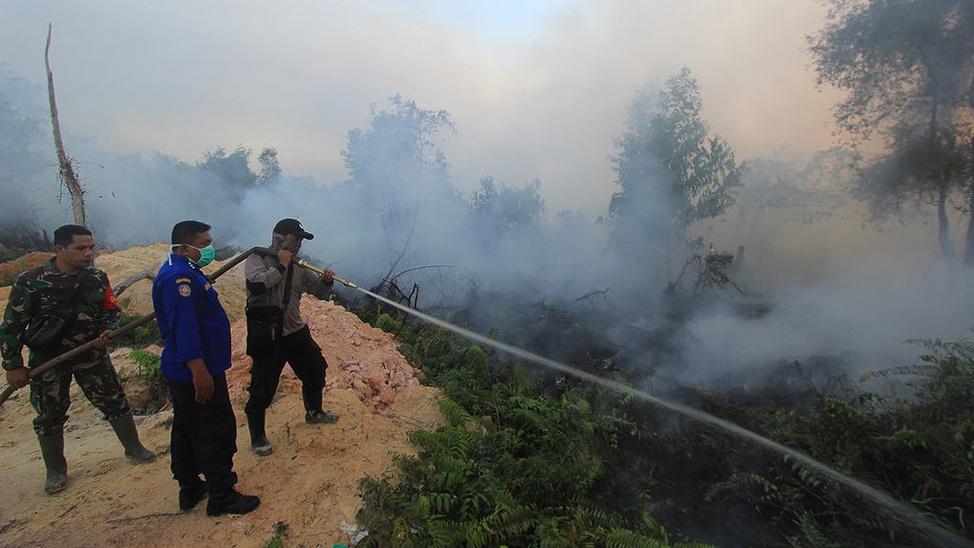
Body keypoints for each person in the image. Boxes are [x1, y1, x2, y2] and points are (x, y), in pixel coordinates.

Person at [0, 224, 156, 495]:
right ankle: (56, 470)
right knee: (50, 413)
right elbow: (11, 326)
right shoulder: (31, 281)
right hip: (48, 359)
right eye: (81, 248)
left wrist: (109, 330)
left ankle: (134, 448)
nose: (88, 253)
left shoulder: (96, 278)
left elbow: (110, 309)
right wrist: (13, 365)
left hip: (91, 353)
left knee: (113, 400)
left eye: (91, 248)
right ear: (59, 249)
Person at [151, 220, 259, 516]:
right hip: (197, 371)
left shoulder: (185, 270)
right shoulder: (180, 279)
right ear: (185, 247)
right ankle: (222, 495)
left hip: (190, 369)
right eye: (205, 243)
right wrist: (199, 371)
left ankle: (190, 488)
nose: (210, 248)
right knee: (215, 429)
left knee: (187, 429)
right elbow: (184, 328)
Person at [243, 218, 339, 457]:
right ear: (278, 237)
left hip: (294, 330)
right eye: (293, 239)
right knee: (262, 386)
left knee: (315, 369)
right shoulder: (257, 258)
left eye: (299, 240)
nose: (297, 244)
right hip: (267, 334)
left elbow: (317, 289)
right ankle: (258, 437)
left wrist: (326, 281)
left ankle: (314, 411)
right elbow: (257, 286)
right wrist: (280, 267)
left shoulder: (298, 266)